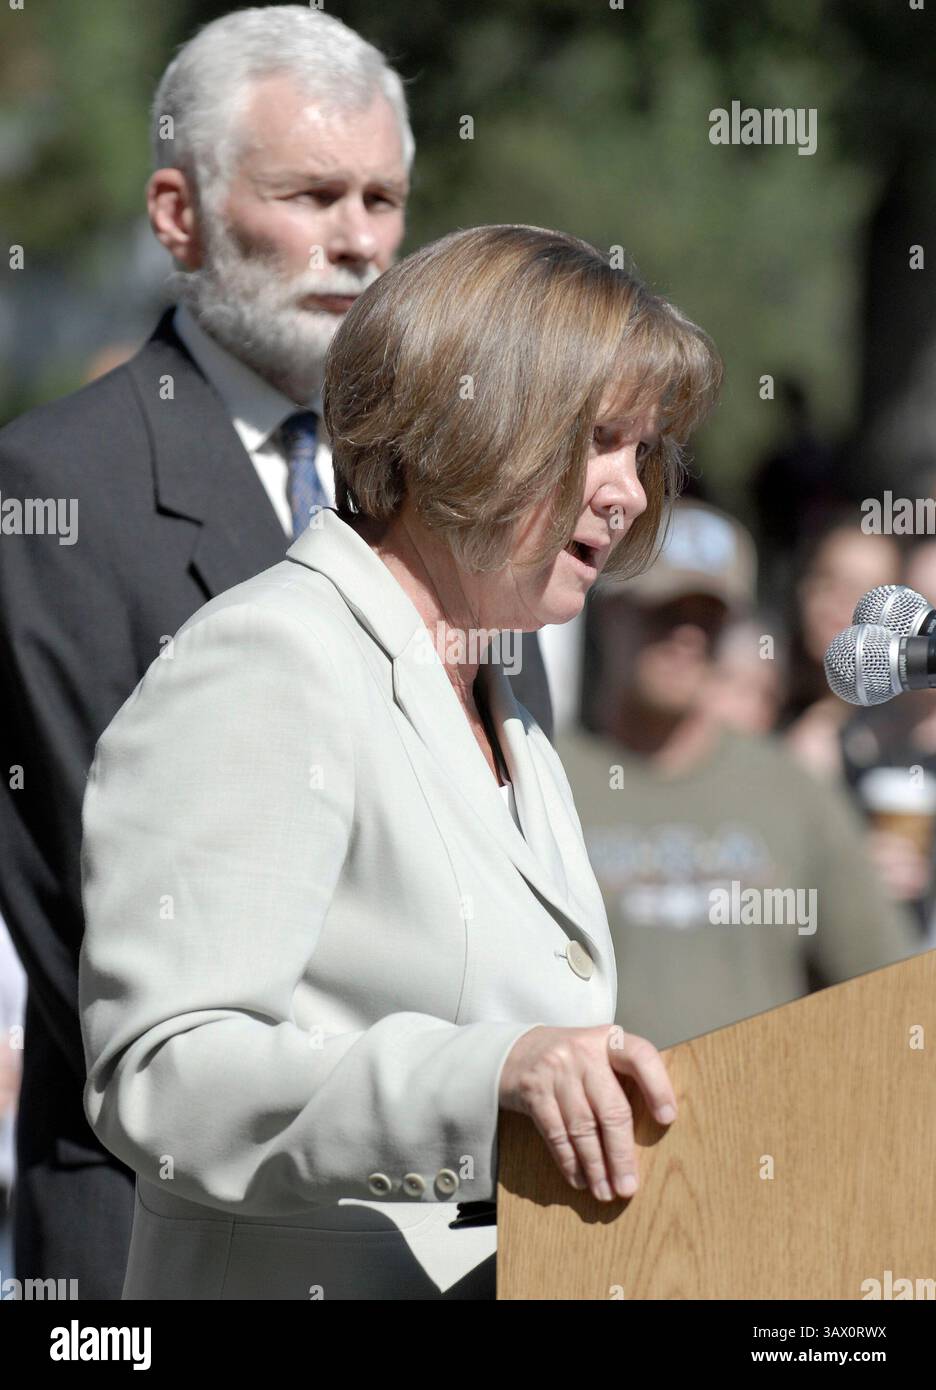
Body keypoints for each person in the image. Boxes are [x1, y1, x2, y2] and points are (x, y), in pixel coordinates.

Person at [0, 4, 548, 1301]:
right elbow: (144, 923)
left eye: (381, 198)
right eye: (309, 195)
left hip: (457, 1227)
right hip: (161, 1230)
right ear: (178, 214)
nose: (357, 240)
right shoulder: (54, 495)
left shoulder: (453, 496)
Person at [77, 223, 722, 1300]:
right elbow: (162, 1077)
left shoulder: (506, 702)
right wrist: (486, 1081)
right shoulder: (275, 654)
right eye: (602, 439)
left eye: (644, 453)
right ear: (479, 419)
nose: (633, 493)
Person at [557, 500, 920, 1050]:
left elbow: (892, 989)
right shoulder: (543, 779)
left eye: (708, 617)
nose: (687, 637)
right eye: (664, 611)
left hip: (758, 1128)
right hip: (591, 1130)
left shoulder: (790, 791)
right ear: (610, 612)